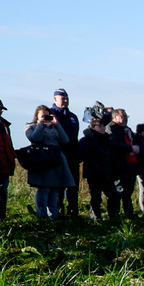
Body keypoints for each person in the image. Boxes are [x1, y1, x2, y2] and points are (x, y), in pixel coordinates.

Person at [25, 105, 75, 219]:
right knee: (44, 188)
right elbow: (34, 138)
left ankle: (53, 214)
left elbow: (65, 140)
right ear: (36, 116)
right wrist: (41, 125)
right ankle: (42, 214)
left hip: (56, 159)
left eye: (48, 115)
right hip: (42, 159)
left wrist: (57, 125)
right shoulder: (31, 126)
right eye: (43, 115)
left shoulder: (54, 127)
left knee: (54, 188)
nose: (46, 118)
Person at [50, 88, 80, 217]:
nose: (65, 100)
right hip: (58, 154)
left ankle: (72, 211)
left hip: (72, 154)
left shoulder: (72, 116)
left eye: (67, 98)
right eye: (62, 98)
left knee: (73, 184)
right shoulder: (50, 114)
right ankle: (58, 210)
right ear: (55, 99)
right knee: (59, 185)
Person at [105, 108, 139, 220]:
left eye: (125, 116)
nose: (124, 118)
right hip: (118, 165)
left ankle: (128, 214)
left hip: (130, 164)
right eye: (121, 116)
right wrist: (130, 148)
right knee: (117, 191)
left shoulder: (127, 129)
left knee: (128, 192)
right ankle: (113, 215)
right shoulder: (111, 128)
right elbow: (113, 144)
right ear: (114, 117)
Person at [79, 113, 111, 221]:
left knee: (112, 194)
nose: (103, 128)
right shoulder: (86, 140)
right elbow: (83, 155)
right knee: (96, 195)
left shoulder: (106, 140)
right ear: (93, 127)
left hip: (106, 171)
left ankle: (112, 215)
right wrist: (95, 165)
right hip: (93, 172)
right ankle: (96, 215)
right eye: (100, 126)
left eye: (103, 126)